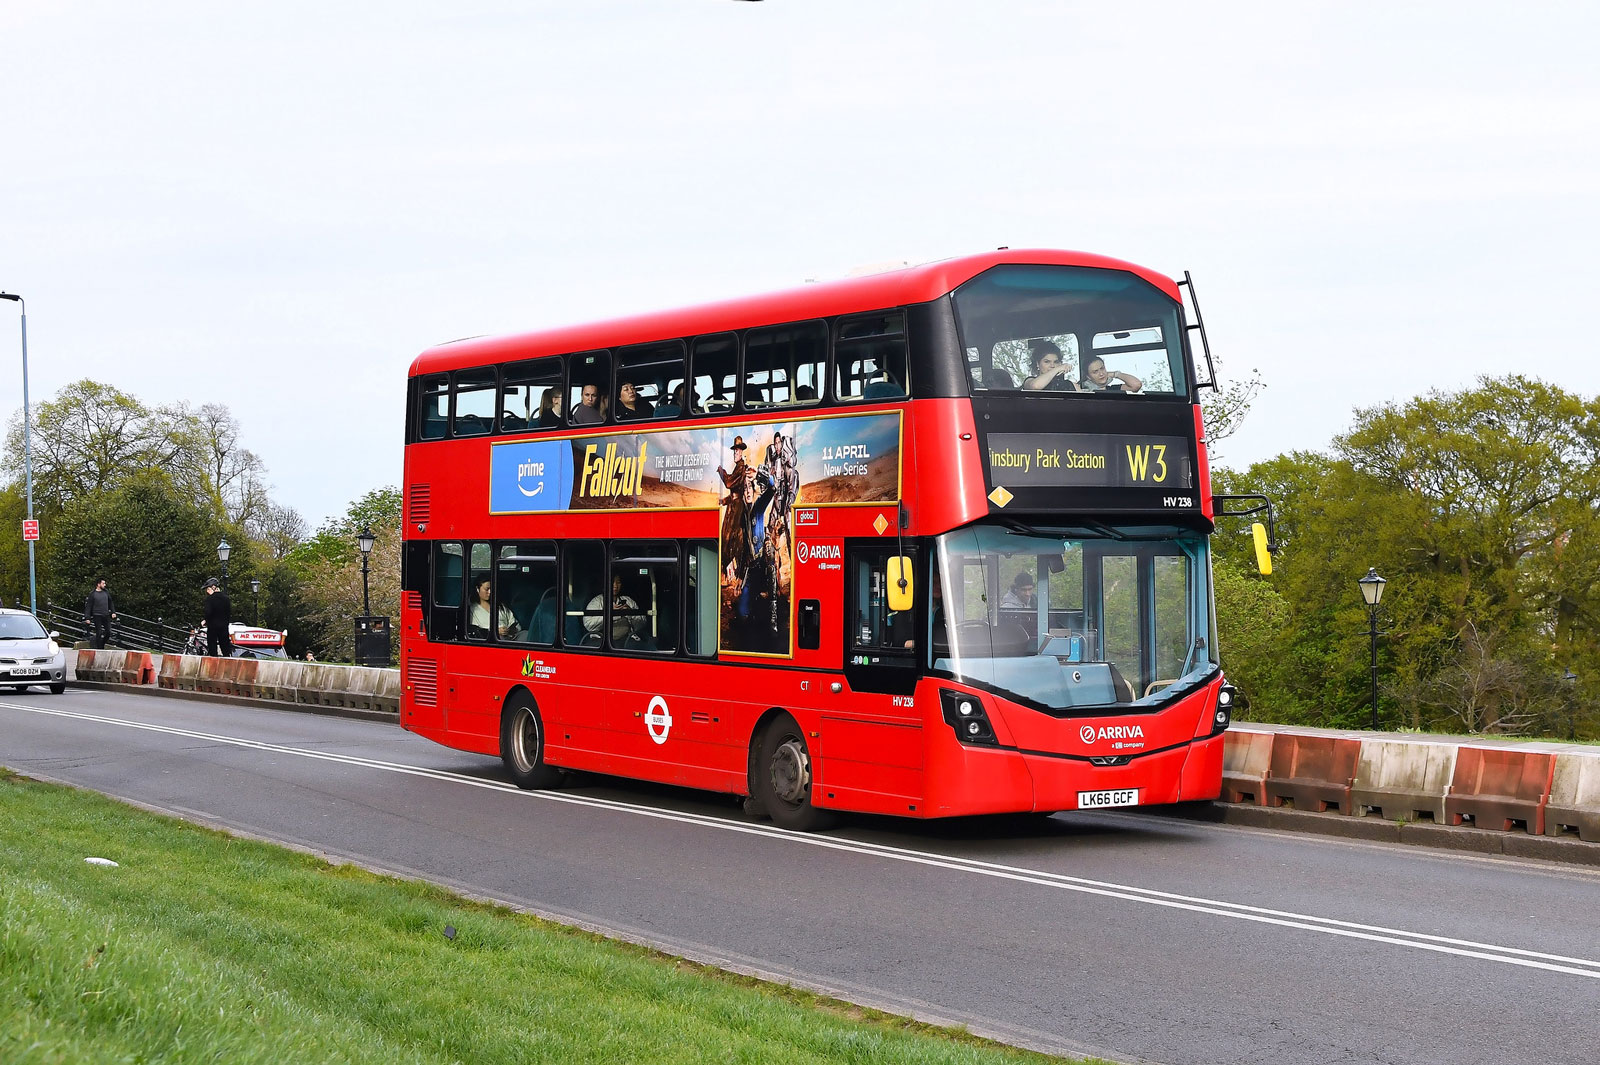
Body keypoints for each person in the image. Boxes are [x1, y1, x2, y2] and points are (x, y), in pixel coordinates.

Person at [584, 574, 644, 645]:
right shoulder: (596, 602)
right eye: (612, 582)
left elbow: (642, 624)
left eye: (618, 582)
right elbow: (589, 625)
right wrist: (611, 614)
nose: (615, 586)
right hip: (601, 641)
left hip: (627, 640)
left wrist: (630, 612)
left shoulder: (628, 601)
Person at [202, 577, 234, 657]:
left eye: (208, 589)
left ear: (213, 587)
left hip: (212, 627)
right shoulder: (226, 599)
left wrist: (205, 620)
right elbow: (229, 612)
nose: (207, 591)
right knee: (225, 647)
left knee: (212, 646)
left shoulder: (210, 599)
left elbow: (208, 612)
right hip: (224, 627)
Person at [82, 577, 117, 649]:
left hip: (106, 615)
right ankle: (99, 648)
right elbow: (89, 606)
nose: (105, 585)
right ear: (98, 584)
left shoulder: (106, 592)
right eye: (103, 583)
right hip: (97, 615)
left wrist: (113, 612)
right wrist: (87, 617)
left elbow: (110, 602)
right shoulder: (93, 594)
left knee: (108, 632)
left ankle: (102, 643)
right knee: (99, 632)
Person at [1079, 356, 1143, 394]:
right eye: (1095, 372)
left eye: (1102, 368)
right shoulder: (1084, 392)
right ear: (1088, 377)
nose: (1101, 374)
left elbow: (1136, 385)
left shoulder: (1113, 390)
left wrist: (1116, 374)